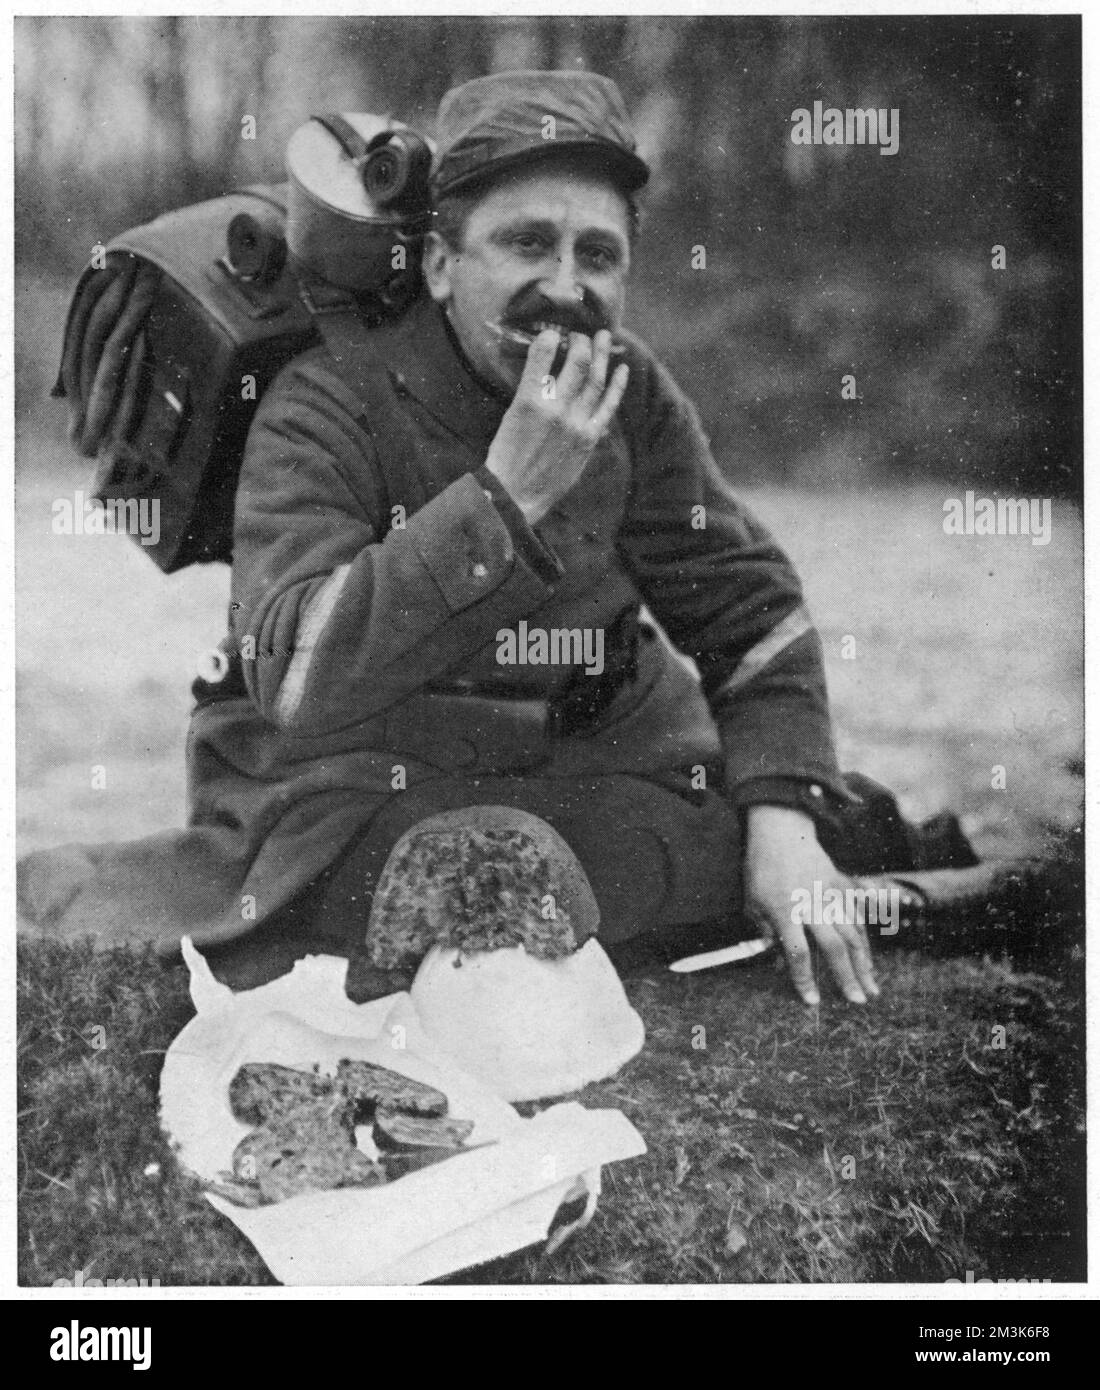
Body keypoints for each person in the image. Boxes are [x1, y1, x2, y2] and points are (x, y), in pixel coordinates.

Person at [20, 70, 1001, 1000]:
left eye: (597, 255)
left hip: (598, 765)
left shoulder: (628, 390)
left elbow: (749, 611)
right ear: (442, 265)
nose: (565, 287)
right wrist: (502, 498)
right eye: (527, 244)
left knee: (785, 820)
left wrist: (781, 823)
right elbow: (299, 676)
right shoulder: (320, 404)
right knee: (386, 871)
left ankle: (773, 849)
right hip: (358, 783)